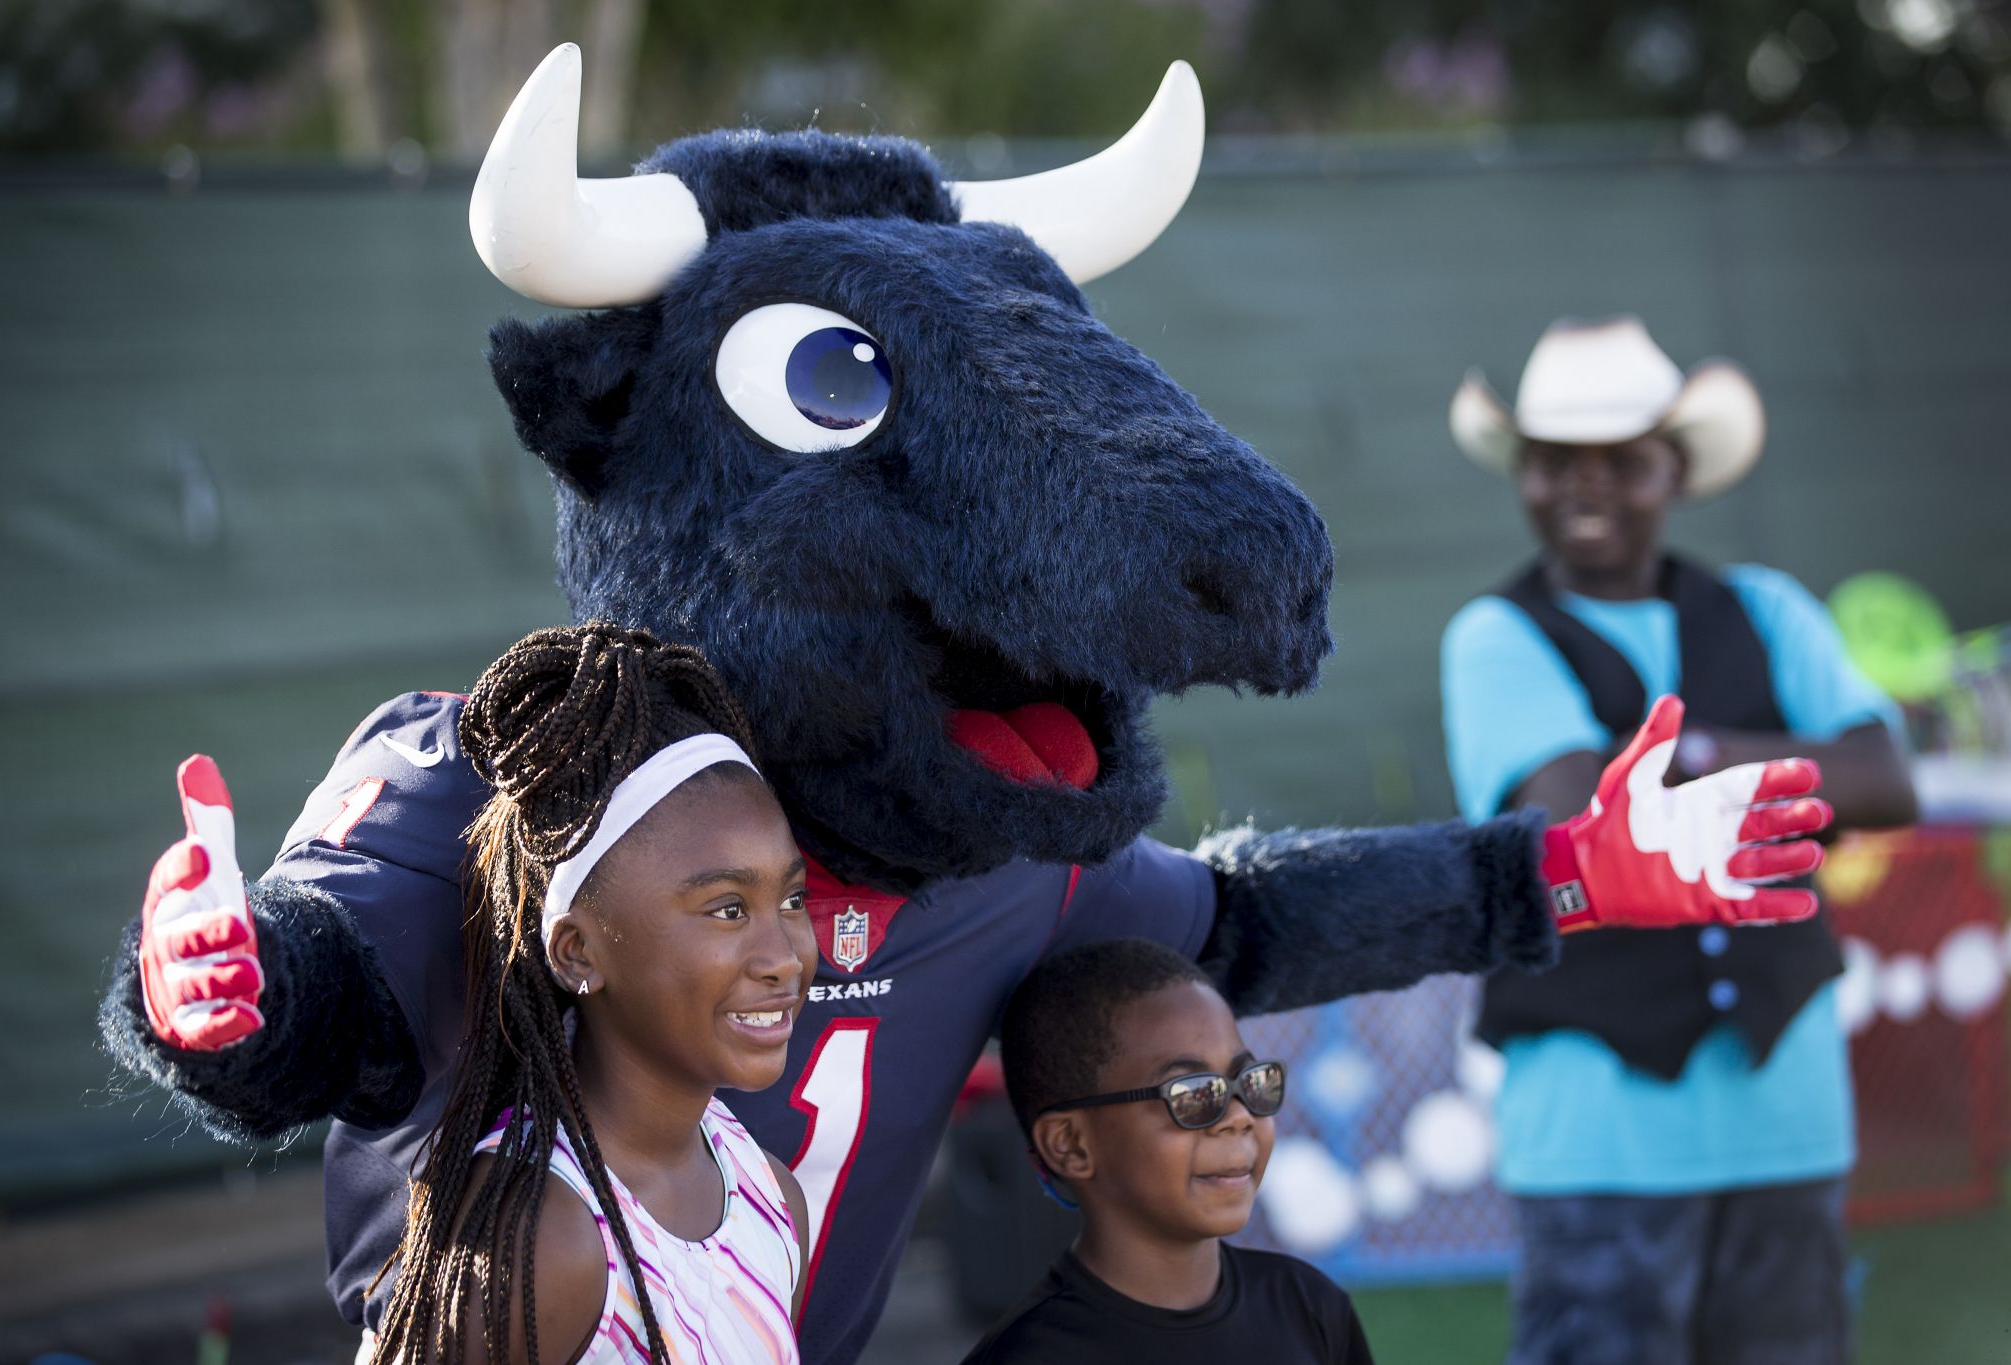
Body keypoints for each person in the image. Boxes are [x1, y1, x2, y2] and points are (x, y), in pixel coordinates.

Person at [103, 48, 1830, 1365]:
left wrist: (1578, 871)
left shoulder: (996, 832)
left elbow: (1240, 918)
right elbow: (319, 1009)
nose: (777, 942)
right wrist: (216, 996)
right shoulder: (528, 791)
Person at [1442, 315, 1919, 1364]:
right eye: (1555, 462)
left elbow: (1884, 780)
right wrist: (1793, 766)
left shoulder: (1769, 607)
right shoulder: (1490, 637)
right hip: (1593, 1133)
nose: (1587, 486)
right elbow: (1576, 810)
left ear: (1676, 472)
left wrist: (1685, 746)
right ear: (1521, 473)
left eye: (1623, 461)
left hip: (1785, 1115)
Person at [355, 622, 808, 1365]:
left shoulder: (772, 1197)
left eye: (791, 899)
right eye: (727, 908)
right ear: (577, 952)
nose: (784, 956)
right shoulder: (541, 1239)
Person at [962, 938, 1374, 1365]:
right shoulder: (1029, 1356)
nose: (1240, 1117)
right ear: (1071, 1144)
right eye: (1194, 1094)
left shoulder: (1309, 1306)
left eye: (1250, 1081)